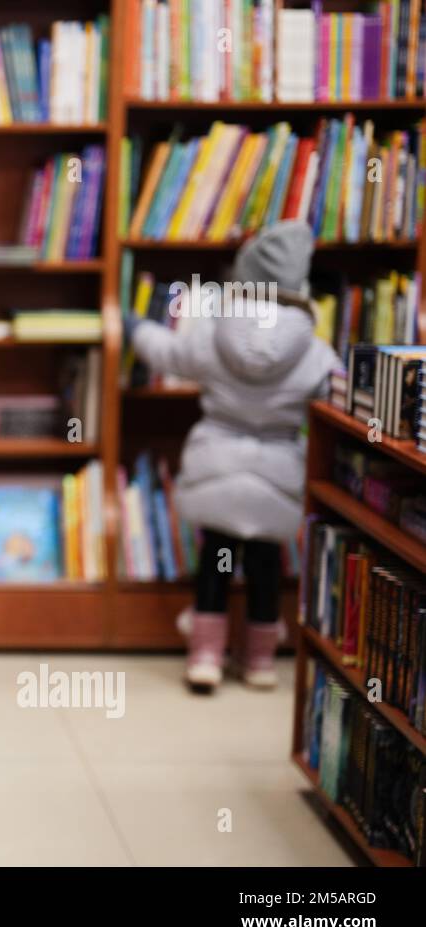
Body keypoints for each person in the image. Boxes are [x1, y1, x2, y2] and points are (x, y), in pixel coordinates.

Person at [126, 221, 338, 692]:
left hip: (217, 466)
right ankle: (261, 660)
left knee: (217, 560)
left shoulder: (213, 332)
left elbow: (168, 354)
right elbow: (338, 396)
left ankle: (206, 655)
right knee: (264, 564)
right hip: (278, 475)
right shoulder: (316, 351)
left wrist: (134, 327)